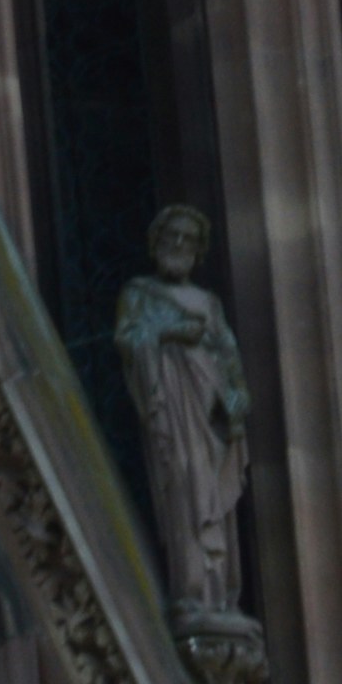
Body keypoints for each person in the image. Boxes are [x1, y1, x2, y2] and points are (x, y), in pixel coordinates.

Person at [115, 204, 250, 623]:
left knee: (212, 496)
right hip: (172, 413)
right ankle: (191, 589)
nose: (178, 245)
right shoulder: (139, 293)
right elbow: (129, 339)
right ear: (156, 244)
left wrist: (237, 396)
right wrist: (169, 333)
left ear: (198, 250)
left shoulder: (208, 303)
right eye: (171, 237)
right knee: (186, 487)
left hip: (209, 415)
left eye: (187, 239)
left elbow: (228, 355)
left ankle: (218, 592)